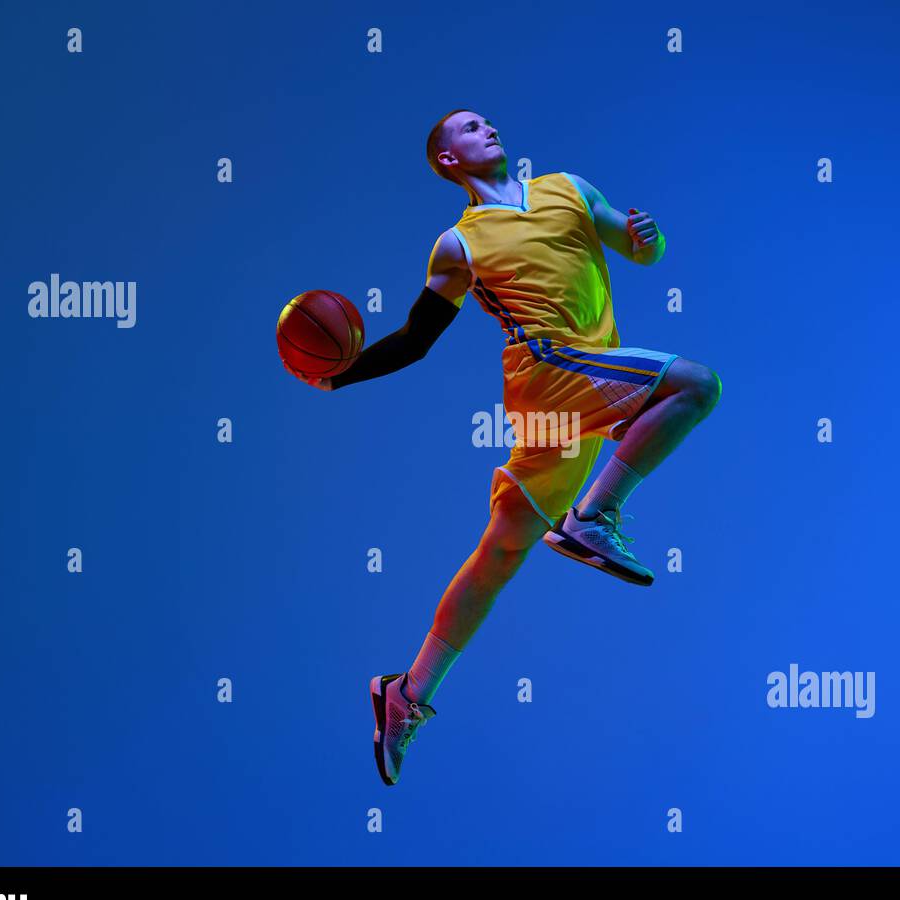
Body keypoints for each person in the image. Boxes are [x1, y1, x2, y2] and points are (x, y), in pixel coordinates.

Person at [295, 109, 721, 785]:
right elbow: (416, 337)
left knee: (502, 550)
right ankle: (592, 517)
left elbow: (640, 248)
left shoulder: (568, 189)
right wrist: (342, 374)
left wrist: (651, 239)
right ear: (448, 161)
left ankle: (407, 691)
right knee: (695, 385)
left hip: (578, 395)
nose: (484, 126)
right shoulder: (458, 244)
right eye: (466, 127)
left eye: (484, 120)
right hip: (550, 374)